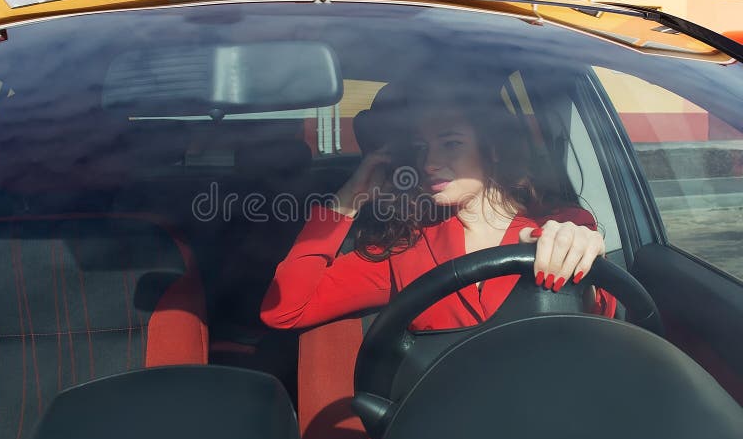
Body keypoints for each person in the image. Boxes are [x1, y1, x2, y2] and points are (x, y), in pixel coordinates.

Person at [261, 84, 615, 332]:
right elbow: (286, 310)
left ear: (491, 148)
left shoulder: (564, 225)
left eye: (450, 144)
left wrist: (583, 260)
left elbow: (600, 327)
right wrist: (351, 196)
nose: (429, 162)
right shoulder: (406, 245)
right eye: (420, 147)